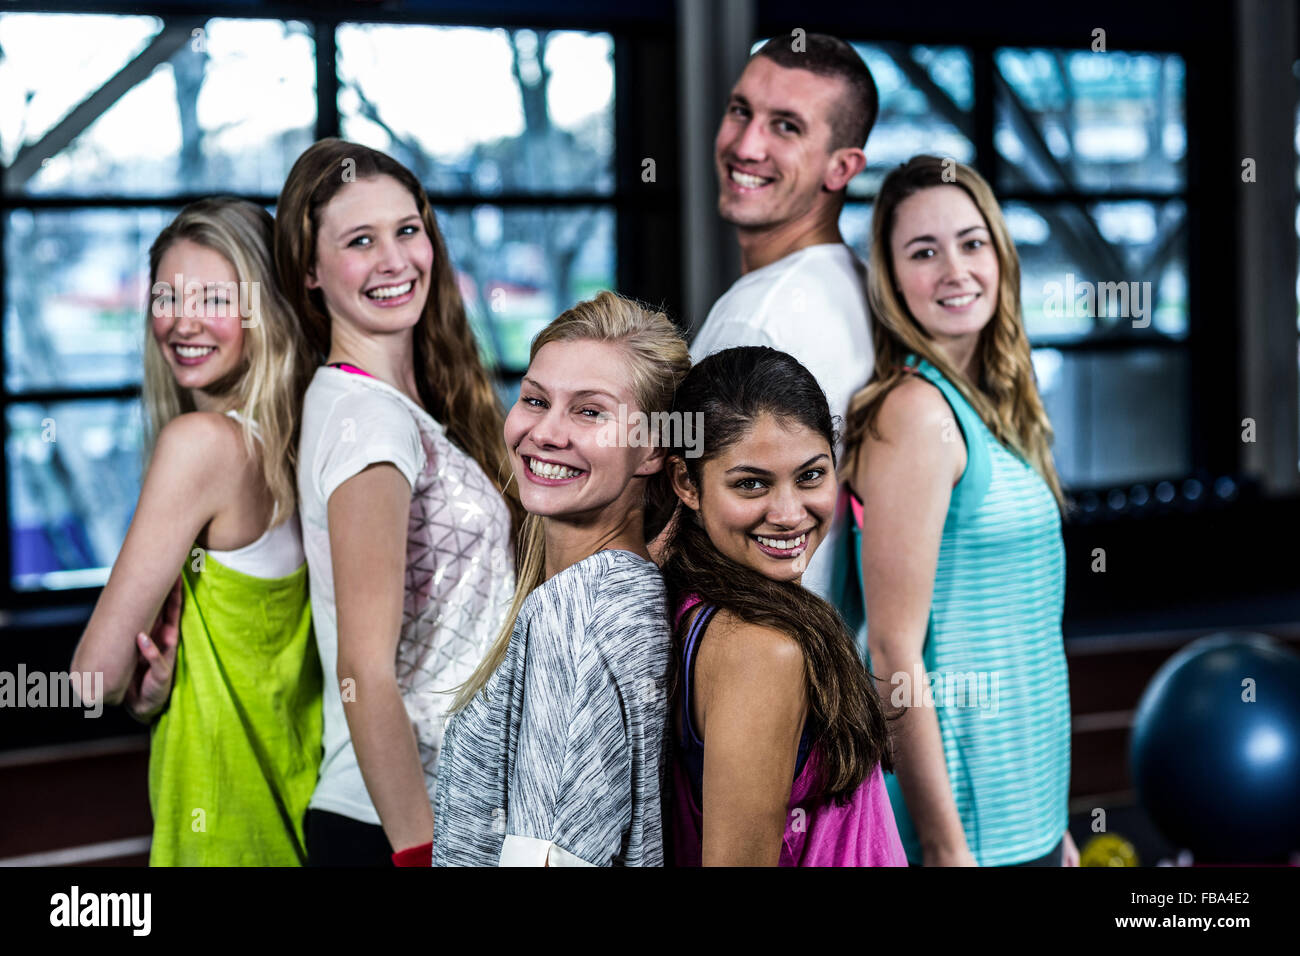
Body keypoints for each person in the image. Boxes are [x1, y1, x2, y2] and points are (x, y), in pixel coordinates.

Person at [276, 139, 520, 867]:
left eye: (406, 230)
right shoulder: (369, 425)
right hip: (396, 824)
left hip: (445, 813)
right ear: (311, 272)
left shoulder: (394, 407)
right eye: (360, 241)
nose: (394, 260)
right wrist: (422, 854)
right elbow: (364, 670)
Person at [70, 198, 322, 865]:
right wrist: (154, 693)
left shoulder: (200, 444)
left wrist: (126, 686)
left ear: (262, 309)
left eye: (213, 296)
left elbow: (91, 679)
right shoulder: (295, 442)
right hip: (290, 822)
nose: (181, 320)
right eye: (165, 296)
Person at [843, 155, 1076, 867]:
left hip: (1028, 813)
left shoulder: (995, 408)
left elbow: (1021, 629)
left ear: (999, 254)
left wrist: (1055, 822)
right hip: (969, 833)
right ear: (891, 280)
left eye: (971, 243)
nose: (955, 270)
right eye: (923, 252)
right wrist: (946, 850)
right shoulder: (914, 413)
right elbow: (894, 656)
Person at [432, 291, 689, 867]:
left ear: (652, 448)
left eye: (589, 411)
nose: (544, 433)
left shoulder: (578, 611)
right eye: (534, 399)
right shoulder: (634, 588)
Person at [658, 346, 905, 866]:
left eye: (811, 475)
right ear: (687, 482)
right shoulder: (760, 652)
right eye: (751, 484)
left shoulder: (698, 597)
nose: (790, 514)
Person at [688, 32, 878, 608]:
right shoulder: (856, 284)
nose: (746, 145)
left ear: (841, 167)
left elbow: (701, 547)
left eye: (786, 127)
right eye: (741, 111)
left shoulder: (757, 321)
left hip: (761, 651)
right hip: (824, 651)